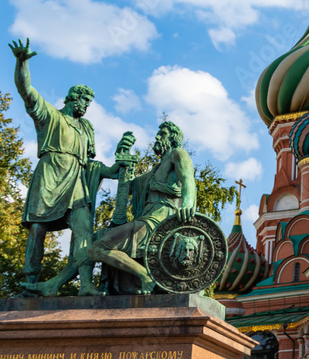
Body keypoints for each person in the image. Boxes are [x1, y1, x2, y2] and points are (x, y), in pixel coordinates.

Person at [9, 38, 132, 295]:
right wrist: (22, 63)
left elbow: (90, 166)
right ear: (73, 99)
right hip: (50, 176)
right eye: (84, 101)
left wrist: (114, 169)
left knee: (83, 230)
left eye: (89, 103)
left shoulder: (86, 128)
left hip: (77, 182)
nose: (86, 106)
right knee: (37, 231)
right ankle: (31, 284)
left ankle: (85, 285)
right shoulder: (50, 117)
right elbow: (27, 91)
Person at [24, 120, 196, 296]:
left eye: (163, 134)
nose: (158, 138)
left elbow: (188, 179)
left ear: (173, 138)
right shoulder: (156, 170)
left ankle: (145, 275)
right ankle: (55, 284)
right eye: (158, 134)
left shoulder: (178, 154)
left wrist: (188, 204)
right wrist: (123, 159)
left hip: (159, 221)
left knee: (96, 249)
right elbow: (127, 187)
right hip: (146, 220)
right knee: (90, 242)